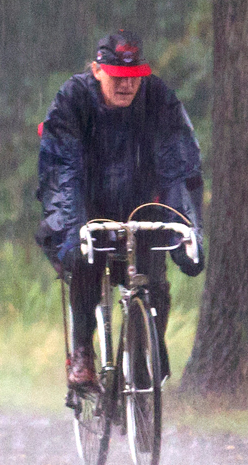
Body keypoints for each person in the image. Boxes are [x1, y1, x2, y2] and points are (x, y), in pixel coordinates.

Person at [35, 30, 205, 388]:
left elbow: (180, 162)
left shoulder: (157, 97)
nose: (127, 85)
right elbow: (61, 170)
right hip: (87, 202)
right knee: (86, 262)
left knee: (152, 282)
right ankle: (83, 351)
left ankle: (148, 353)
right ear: (98, 71)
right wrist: (70, 232)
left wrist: (186, 228)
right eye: (118, 77)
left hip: (141, 205)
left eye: (134, 78)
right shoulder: (73, 99)